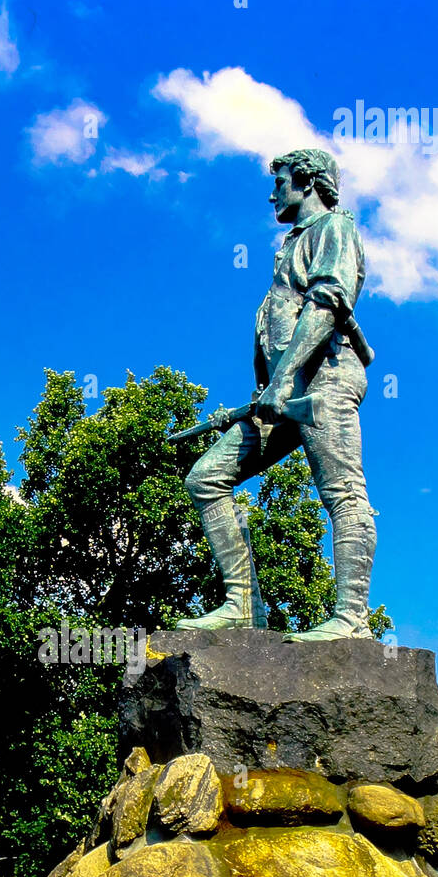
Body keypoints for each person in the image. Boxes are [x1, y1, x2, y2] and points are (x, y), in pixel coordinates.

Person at [177, 148, 377, 641]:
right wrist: (269, 384)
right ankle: (241, 604)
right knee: (206, 477)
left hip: (323, 379)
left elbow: (328, 301)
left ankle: (351, 618)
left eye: (281, 181)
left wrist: (284, 377)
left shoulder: (334, 229)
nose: (273, 192)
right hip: (282, 391)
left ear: (308, 182)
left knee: (343, 492)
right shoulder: (291, 245)